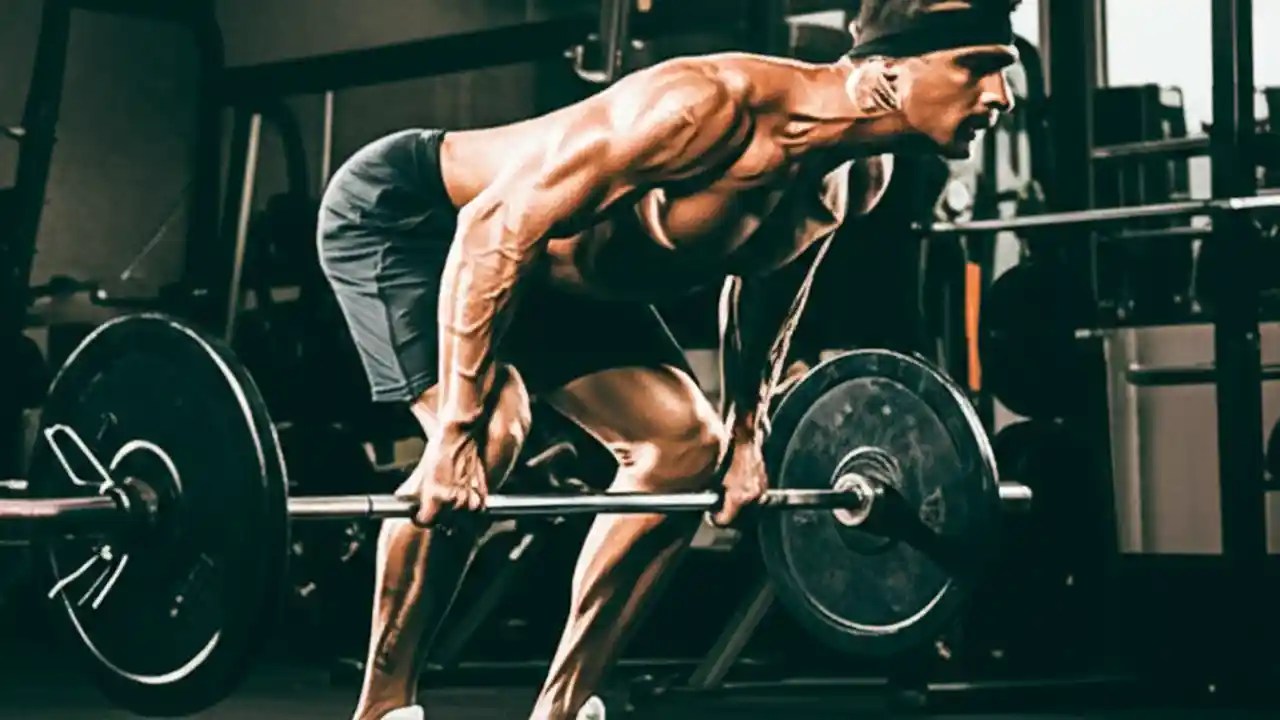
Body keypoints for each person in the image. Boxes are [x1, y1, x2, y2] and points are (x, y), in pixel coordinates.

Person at [316, 1, 1018, 718]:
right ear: (886, 72)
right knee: (494, 430)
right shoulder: (705, 106)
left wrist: (748, 434)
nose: (1000, 96)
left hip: (560, 278)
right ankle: (383, 707)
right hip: (418, 221)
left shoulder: (860, 177)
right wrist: (454, 439)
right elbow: (491, 228)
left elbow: (769, 286)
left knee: (687, 448)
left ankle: (562, 708)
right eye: (978, 67)